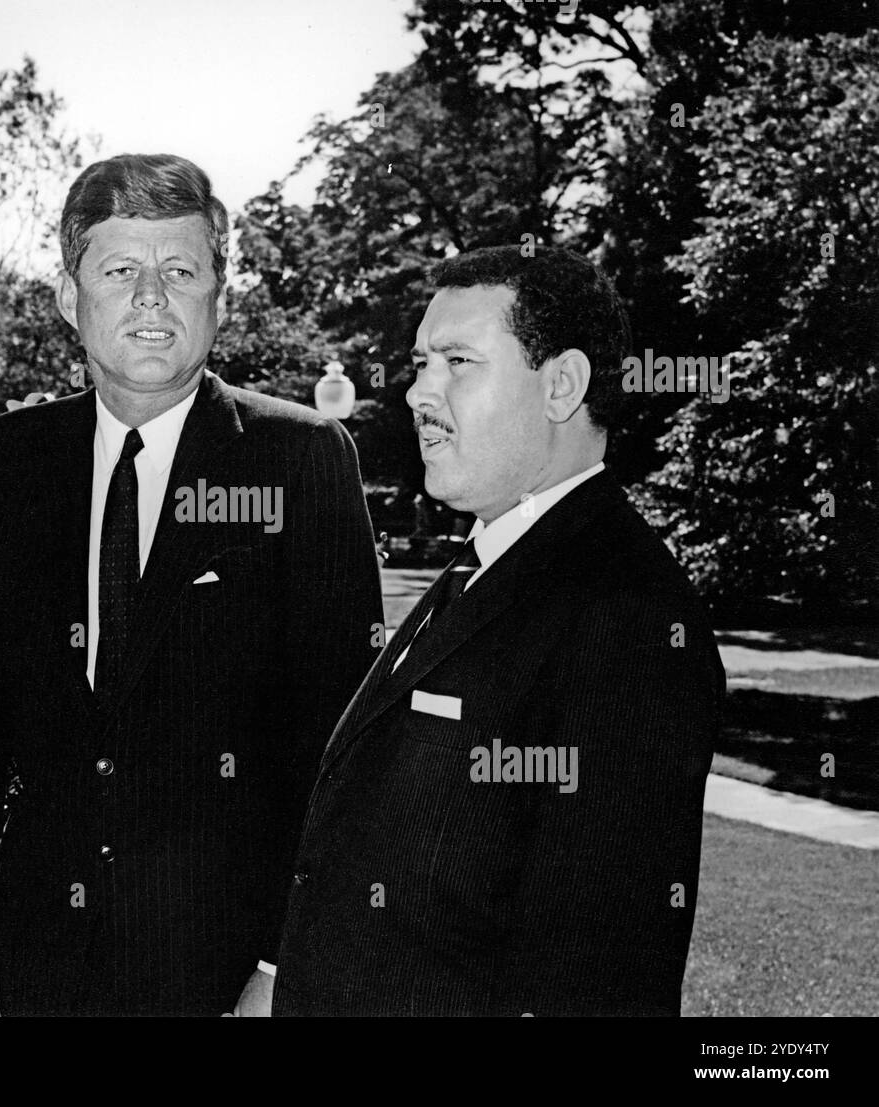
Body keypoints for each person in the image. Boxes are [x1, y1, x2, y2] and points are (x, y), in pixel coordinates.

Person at [0, 154, 383, 1016]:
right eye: (121, 270)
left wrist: (284, 968)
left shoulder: (303, 459)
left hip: (227, 968)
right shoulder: (4, 464)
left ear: (221, 298)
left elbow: (338, 748)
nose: (151, 300)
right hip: (38, 959)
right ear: (70, 297)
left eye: (180, 271)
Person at [274, 245, 725, 1017]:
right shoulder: (484, 564)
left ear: (561, 386)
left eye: (458, 361)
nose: (420, 391)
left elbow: (600, 977)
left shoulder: (628, 619)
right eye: (421, 362)